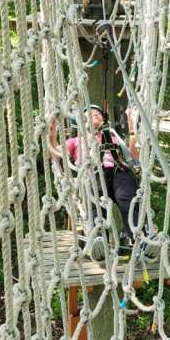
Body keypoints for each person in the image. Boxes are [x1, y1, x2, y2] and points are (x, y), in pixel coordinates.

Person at [48, 104, 150, 253]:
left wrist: (131, 126)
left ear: (103, 120)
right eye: (89, 113)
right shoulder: (75, 141)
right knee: (96, 200)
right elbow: (55, 153)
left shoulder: (113, 136)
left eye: (98, 113)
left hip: (119, 171)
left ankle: (140, 237)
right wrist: (52, 134)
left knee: (127, 198)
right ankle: (99, 240)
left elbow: (134, 157)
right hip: (93, 173)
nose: (94, 113)